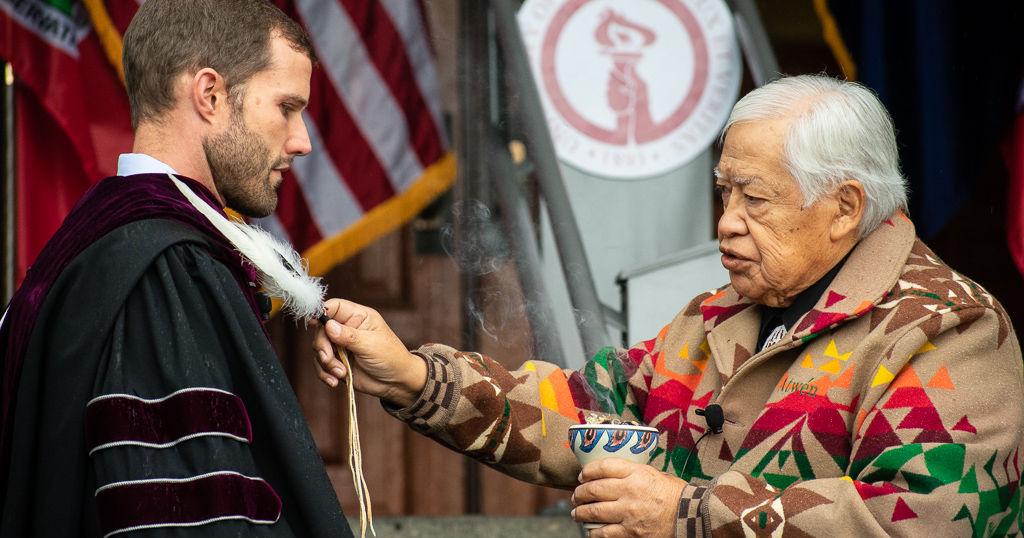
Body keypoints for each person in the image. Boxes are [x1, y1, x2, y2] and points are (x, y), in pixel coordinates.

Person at [314, 75, 1024, 536]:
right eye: (724, 194)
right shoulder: (713, 318)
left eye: (755, 199)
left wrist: (688, 516)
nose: (725, 223)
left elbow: (925, 524)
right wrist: (412, 375)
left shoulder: (948, 329)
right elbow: (578, 411)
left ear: (844, 210)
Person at [0, 1, 352, 536]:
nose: (301, 140)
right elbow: (184, 518)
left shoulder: (99, 246)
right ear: (209, 95)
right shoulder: (163, 271)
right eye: (286, 107)